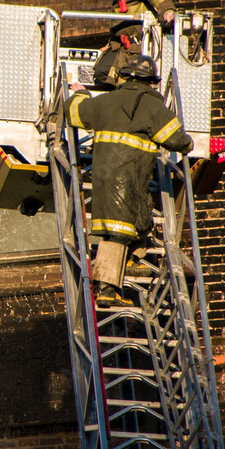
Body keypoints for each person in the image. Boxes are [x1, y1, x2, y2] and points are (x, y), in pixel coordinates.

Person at [66, 55, 193, 308]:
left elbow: (74, 113)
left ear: (124, 77)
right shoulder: (152, 107)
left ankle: (126, 262)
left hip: (104, 180)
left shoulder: (105, 101)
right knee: (119, 234)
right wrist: (189, 142)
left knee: (139, 225)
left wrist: (80, 94)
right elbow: (177, 140)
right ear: (151, 83)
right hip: (130, 180)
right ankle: (105, 289)